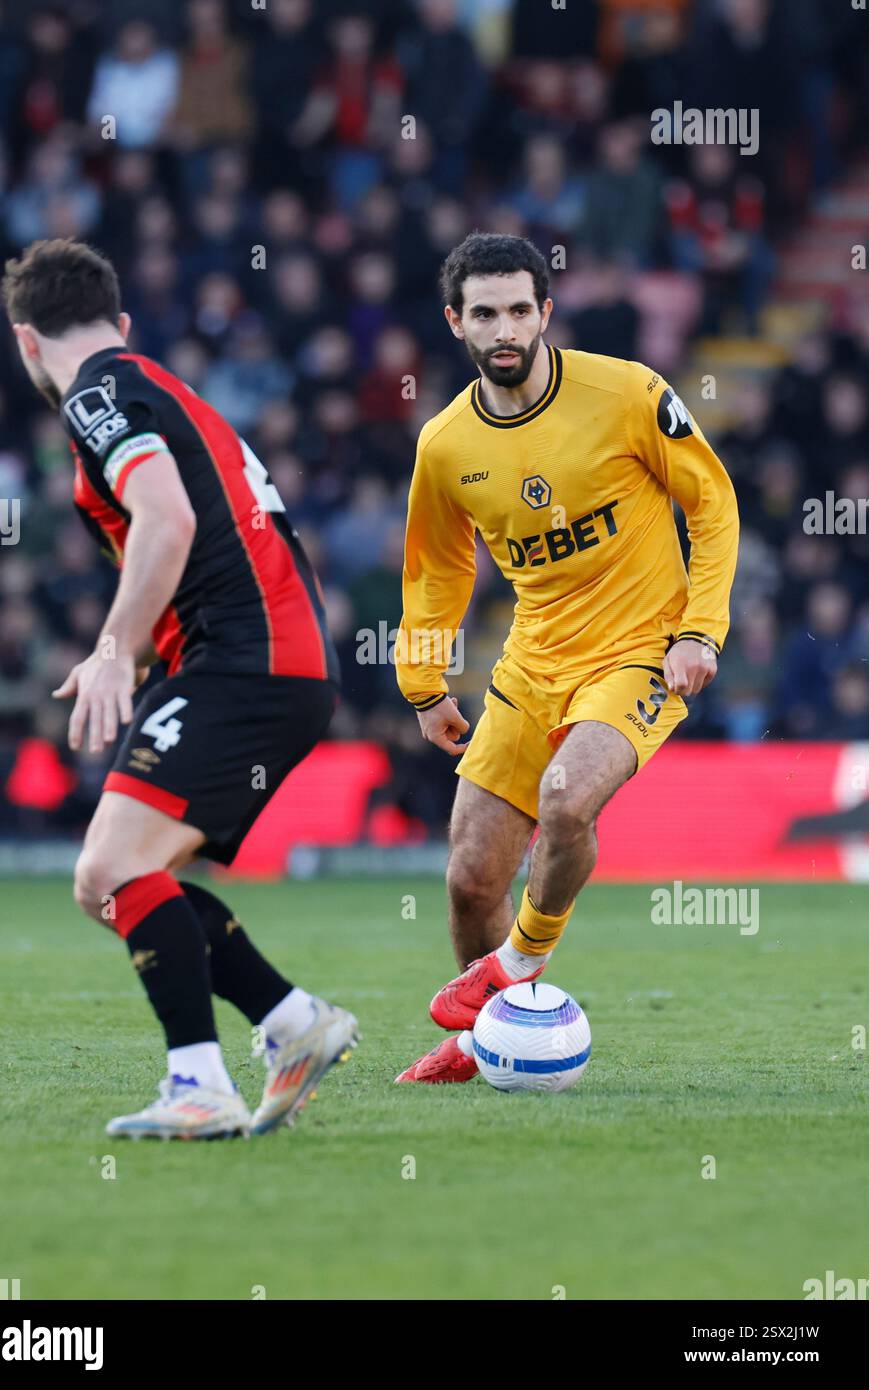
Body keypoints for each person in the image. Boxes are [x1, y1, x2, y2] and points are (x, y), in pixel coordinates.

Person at [2, 237, 357, 1137]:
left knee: (113, 868)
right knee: (114, 881)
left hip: (244, 660)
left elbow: (167, 516)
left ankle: (198, 1086)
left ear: (24, 342)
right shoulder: (151, 381)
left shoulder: (95, 393)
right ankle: (291, 1023)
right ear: (119, 322)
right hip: (267, 662)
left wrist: (116, 646)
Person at [394, 232, 738, 1083]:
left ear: (545, 312)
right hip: (531, 662)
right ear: (456, 324)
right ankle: (483, 1047)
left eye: (519, 309)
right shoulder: (444, 445)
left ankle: (515, 965)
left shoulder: (626, 393)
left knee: (565, 801)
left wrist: (701, 630)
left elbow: (712, 500)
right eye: (485, 314)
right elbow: (436, 571)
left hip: (639, 649)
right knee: (470, 877)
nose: (504, 328)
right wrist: (424, 682)